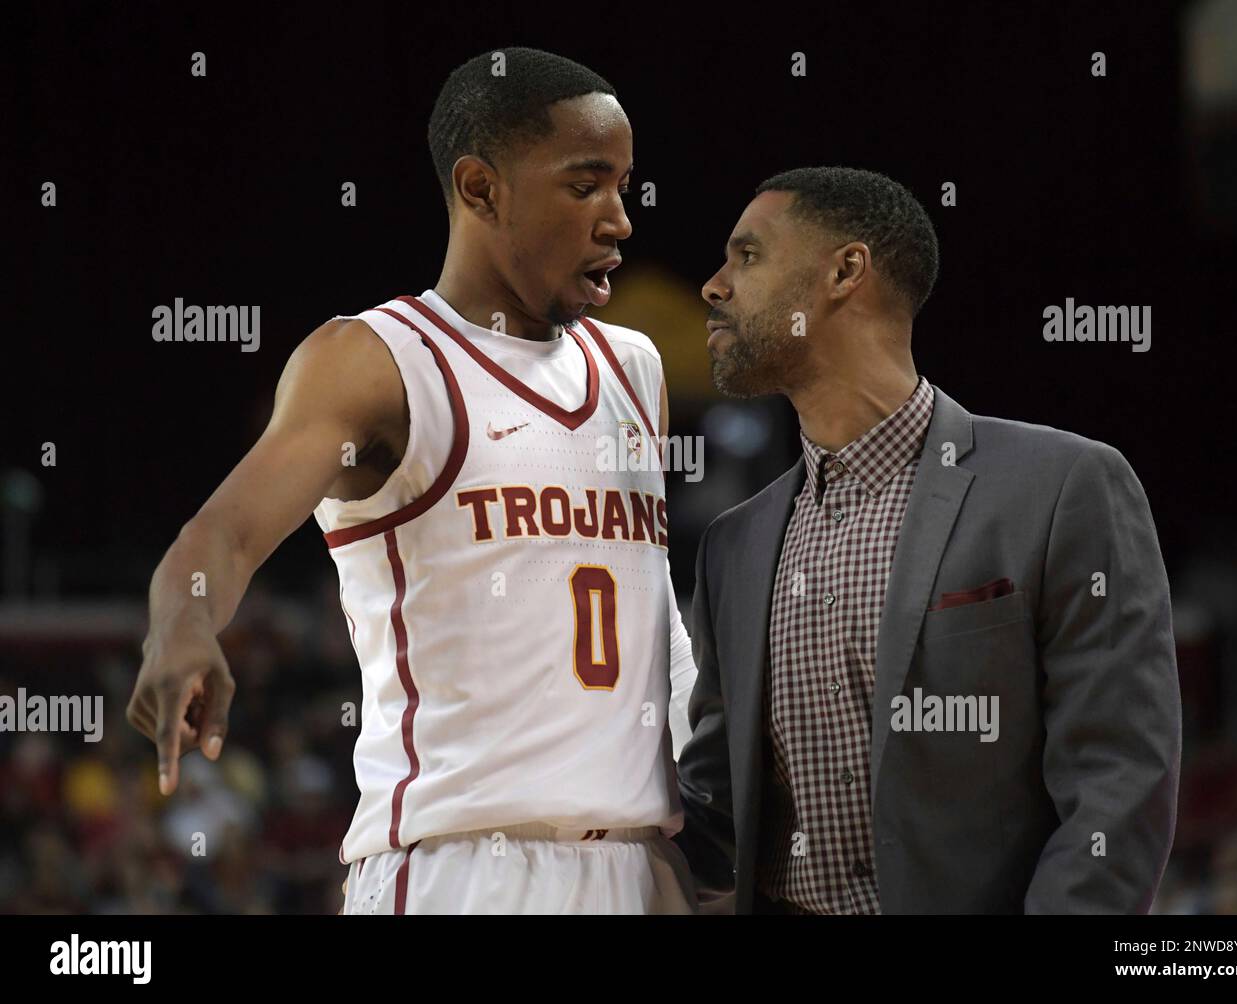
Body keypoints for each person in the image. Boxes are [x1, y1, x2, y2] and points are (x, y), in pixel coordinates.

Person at [128, 47, 698, 915]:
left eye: (624, 185)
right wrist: (182, 628)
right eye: (586, 185)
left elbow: (654, 625)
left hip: (646, 866)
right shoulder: (376, 362)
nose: (620, 218)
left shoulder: (636, 367)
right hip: (465, 869)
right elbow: (222, 536)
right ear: (481, 189)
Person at [673, 166, 1181, 914]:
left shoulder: (1063, 486)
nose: (714, 286)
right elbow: (716, 816)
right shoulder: (733, 546)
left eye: (747, 257)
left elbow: (1120, 784)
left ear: (846, 271)